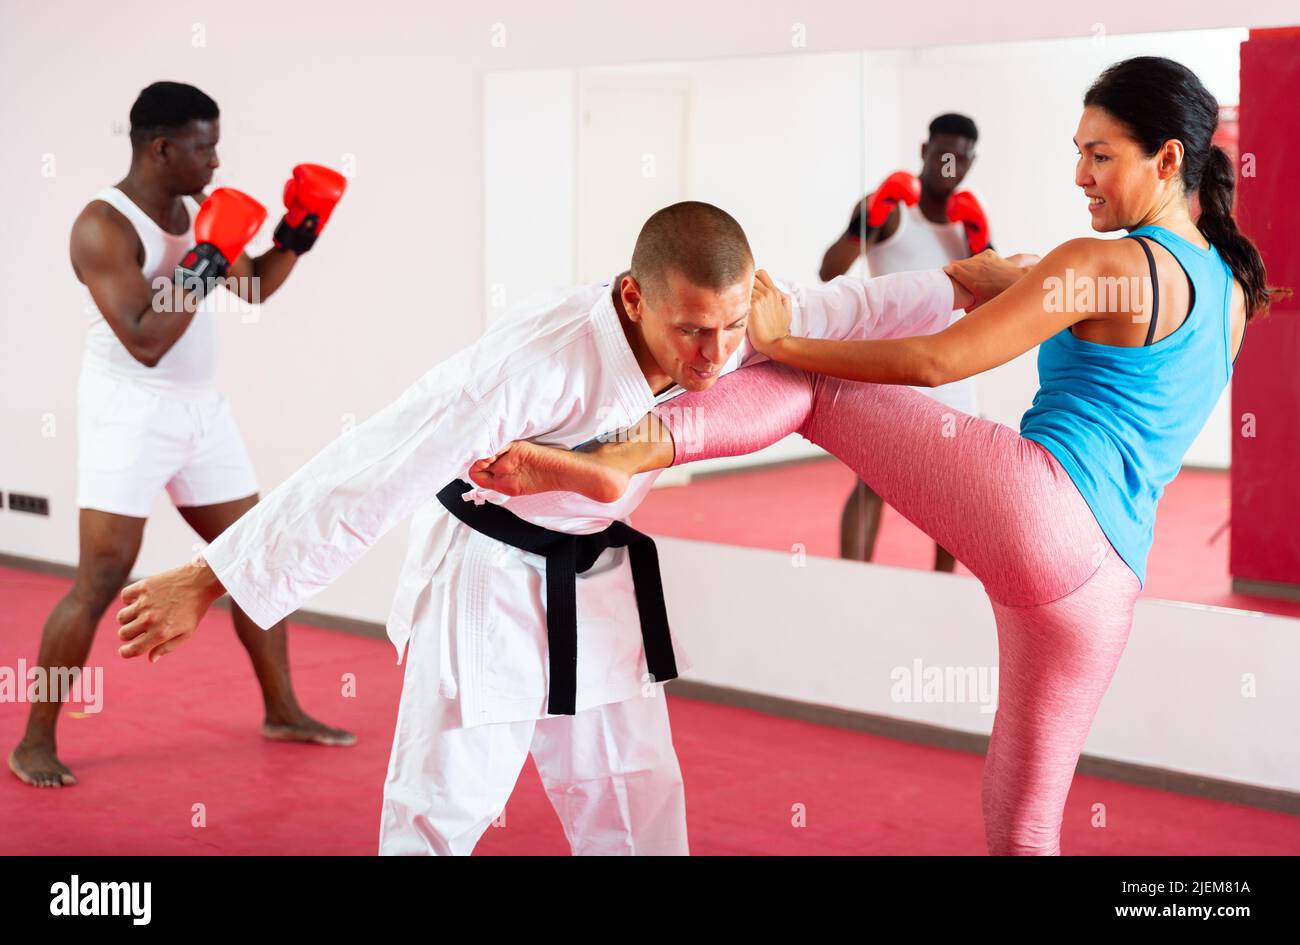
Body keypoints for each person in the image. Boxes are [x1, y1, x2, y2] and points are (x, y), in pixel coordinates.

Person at [464, 57, 1287, 855]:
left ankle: (630, 451)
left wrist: (791, 337)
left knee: (815, 387)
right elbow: (1120, 332)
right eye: (1077, 151)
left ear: (1168, 157)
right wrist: (1005, 279)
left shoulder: (1100, 260)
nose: (1080, 173)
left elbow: (936, 361)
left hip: (1049, 512)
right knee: (1028, 833)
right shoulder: (1230, 288)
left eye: (1100, 154)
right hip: (1108, 593)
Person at [110, 200, 1014, 855]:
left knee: (634, 795)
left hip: (598, 580)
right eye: (693, 331)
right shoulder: (533, 365)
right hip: (489, 578)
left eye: (731, 327)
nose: (714, 357)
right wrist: (211, 575)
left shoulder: (739, 320)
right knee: (443, 804)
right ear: (633, 298)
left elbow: (840, 310)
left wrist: (970, 283)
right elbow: (379, 463)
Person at [9, 81, 351, 789]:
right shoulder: (103, 226)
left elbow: (252, 285)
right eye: (205, 147)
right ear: (162, 148)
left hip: (201, 412)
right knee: (100, 579)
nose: (217, 162)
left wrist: (298, 230)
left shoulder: (197, 210)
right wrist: (205, 257)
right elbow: (144, 339)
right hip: (126, 410)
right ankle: (34, 740)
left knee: (254, 557)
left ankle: (283, 708)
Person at [820, 113, 990, 570]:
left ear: (971, 162)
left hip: (953, 368)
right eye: (942, 154)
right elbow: (829, 270)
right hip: (891, 366)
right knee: (872, 481)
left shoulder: (966, 224)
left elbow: (998, 302)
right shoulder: (890, 208)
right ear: (924, 152)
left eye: (961, 158)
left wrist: (982, 243)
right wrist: (865, 224)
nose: (949, 165)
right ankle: (853, 577)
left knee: (951, 490)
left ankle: (941, 585)